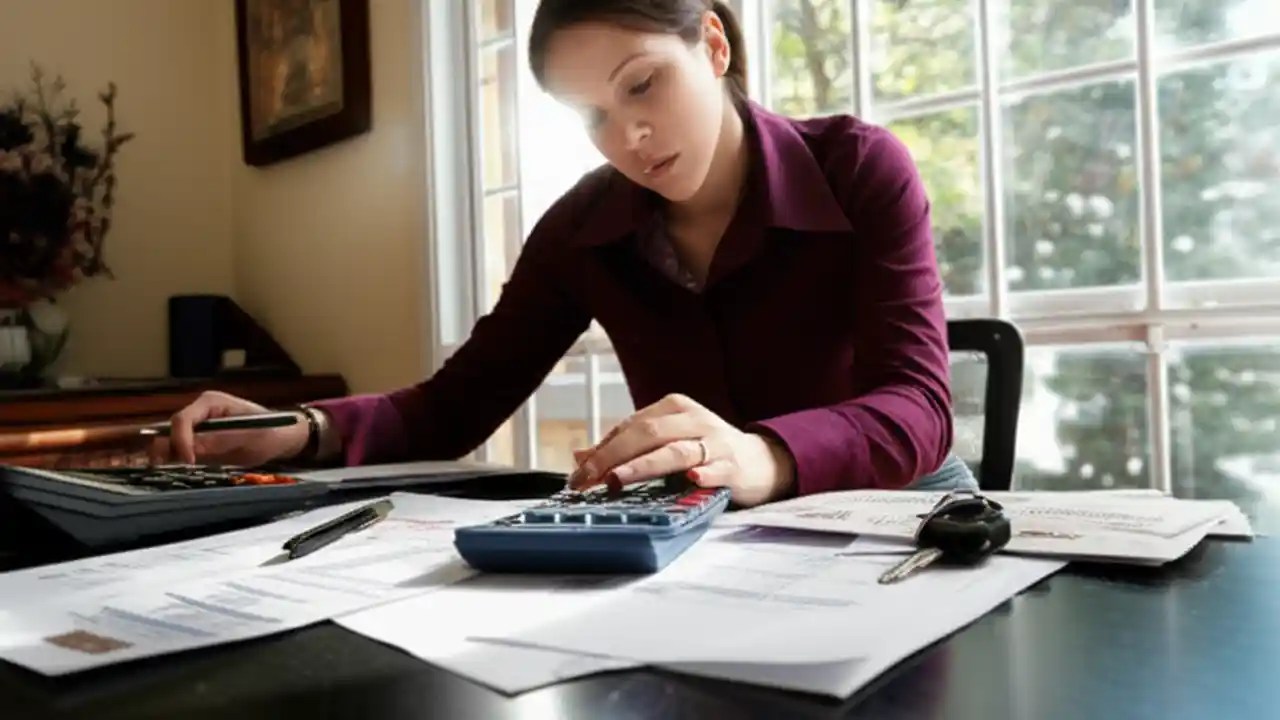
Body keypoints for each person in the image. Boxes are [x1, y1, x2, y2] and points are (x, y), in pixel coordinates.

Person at [150, 0, 977, 507]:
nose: (628, 138)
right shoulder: (581, 229)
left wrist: (757, 456)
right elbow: (453, 407)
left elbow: (918, 407)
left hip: (894, 514)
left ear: (714, 47)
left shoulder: (859, 167)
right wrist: (295, 429)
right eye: (591, 117)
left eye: (642, 84)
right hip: (711, 537)